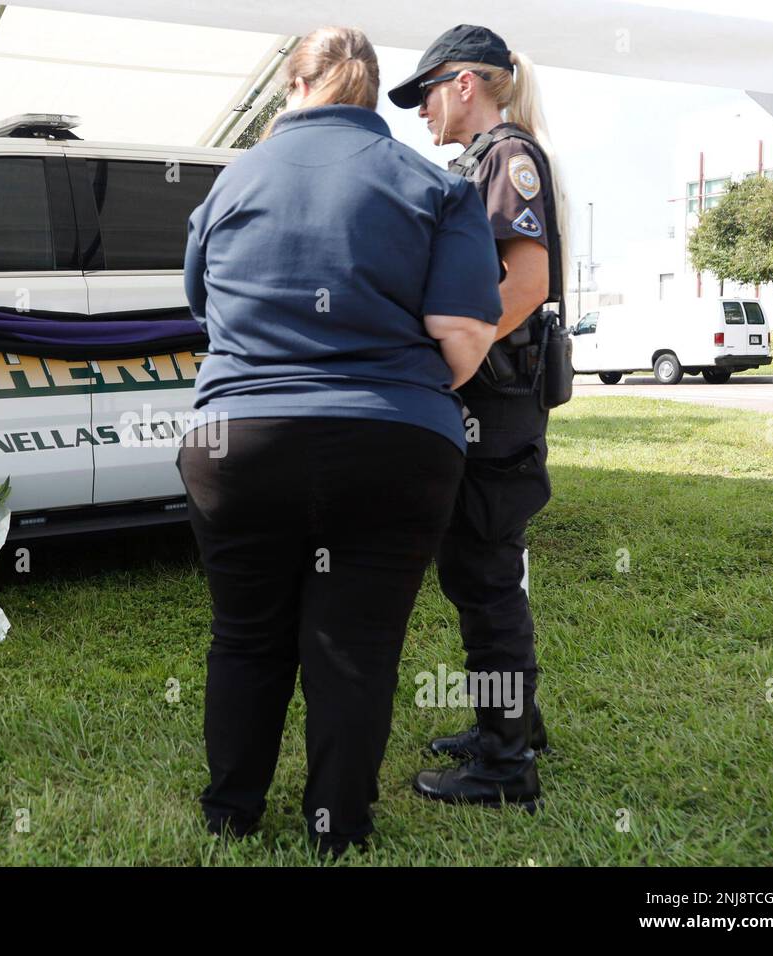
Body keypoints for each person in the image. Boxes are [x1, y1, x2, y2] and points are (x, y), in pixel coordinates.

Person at [178, 26, 503, 855]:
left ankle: (231, 813)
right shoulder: (434, 184)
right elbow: (463, 338)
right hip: (394, 443)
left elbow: (207, 313)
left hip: (238, 439)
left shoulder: (229, 183)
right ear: (369, 93)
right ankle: (340, 828)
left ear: (293, 89)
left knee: (245, 632)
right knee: (355, 644)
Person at [388, 24, 566, 809]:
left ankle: (504, 767)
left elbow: (525, 284)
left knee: (485, 574)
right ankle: (512, 726)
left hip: (495, 402)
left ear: (466, 82)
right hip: (492, 401)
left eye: (427, 91)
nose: (422, 110)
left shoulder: (507, 157)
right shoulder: (484, 157)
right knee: (481, 572)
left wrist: (450, 360)